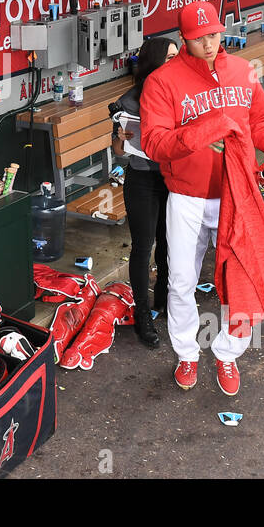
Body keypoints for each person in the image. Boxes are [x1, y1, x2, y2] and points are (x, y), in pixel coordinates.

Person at [141, 3, 264, 396]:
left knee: (242, 281)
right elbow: (153, 142)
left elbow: (260, 122)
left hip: (238, 192)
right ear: (184, 39)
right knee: (180, 281)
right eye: (199, 38)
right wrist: (200, 132)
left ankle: (228, 354)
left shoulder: (243, 70)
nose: (210, 43)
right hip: (187, 196)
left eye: (213, 34)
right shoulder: (163, 81)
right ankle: (187, 354)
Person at [112, 36, 177, 348]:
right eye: (169, 58)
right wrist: (122, 138)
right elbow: (119, 152)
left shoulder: (181, 91)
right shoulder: (129, 101)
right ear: (154, 63)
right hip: (141, 179)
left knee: (169, 243)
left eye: (178, 57)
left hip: (173, 177)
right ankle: (142, 316)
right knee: (143, 247)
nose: (175, 63)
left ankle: (164, 300)